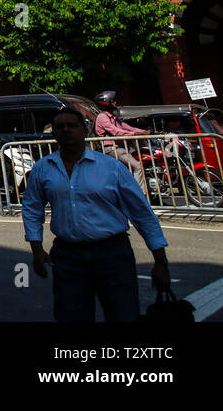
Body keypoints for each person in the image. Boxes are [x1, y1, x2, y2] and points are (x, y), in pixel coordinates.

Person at [22, 106, 169, 322]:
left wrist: (160, 262)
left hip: (112, 254)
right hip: (67, 256)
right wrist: (36, 248)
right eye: (59, 127)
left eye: (71, 126)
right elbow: (32, 207)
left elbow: (141, 213)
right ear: (53, 133)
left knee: (122, 315)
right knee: (71, 316)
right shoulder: (43, 169)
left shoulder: (110, 167)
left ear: (84, 130)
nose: (66, 130)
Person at [92, 91, 148, 192]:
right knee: (138, 166)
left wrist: (144, 132)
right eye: (113, 101)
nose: (115, 103)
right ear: (106, 102)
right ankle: (140, 195)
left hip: (121, 148)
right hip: (112, 149)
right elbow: (115, 131)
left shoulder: (113, 117)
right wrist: (134, 135)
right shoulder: (102, 117)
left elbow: (128, 128)